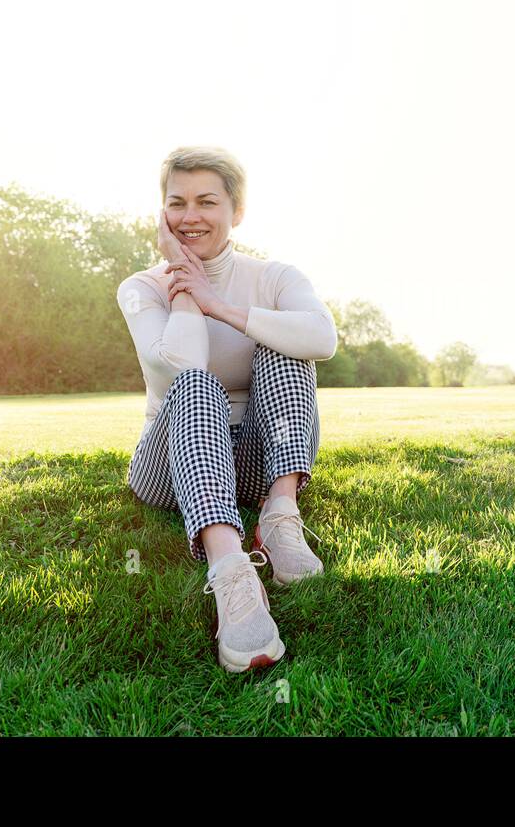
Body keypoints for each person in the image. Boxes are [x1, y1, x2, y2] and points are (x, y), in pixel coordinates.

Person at [116, 146, 337, 672]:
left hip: (261, 463)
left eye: (206, 201)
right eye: (177, 203)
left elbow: (323, 337)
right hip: (171, 465)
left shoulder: (275, 277)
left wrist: (224, 308)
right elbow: (179, 364)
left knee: (286, 349)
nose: (190, 216)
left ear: (236, 211)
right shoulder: (142, 288)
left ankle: (280, 517)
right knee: (197, 382)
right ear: (161, 214)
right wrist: (184, 283)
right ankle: (231, 568)